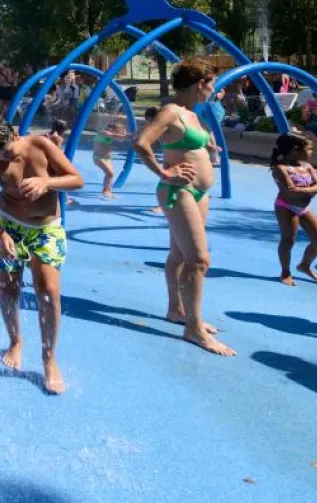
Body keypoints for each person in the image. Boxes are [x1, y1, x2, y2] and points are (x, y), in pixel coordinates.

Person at [133, 58, 235, 356]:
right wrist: (165, 172)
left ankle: (175, 310)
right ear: (199, 84)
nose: (214, 90)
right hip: (179, 191)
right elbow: (141, 143)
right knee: (199, 259)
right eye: (211, 84)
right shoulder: (171, 111)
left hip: (198, 192)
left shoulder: (191, 113)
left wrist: (204, 146)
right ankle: (194, 327)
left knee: (179, 255)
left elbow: (182, 144)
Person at [0, 116, 82, 394]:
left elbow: (77, 180)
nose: (3, 157)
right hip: (9, 227)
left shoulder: (41, 146)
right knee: (7, 289)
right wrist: (0, 234)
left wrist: (47, 183)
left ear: (14, 134)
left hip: (45, 228)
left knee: (49, 291)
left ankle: (49, 358)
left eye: (6, 151)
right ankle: (15, 341)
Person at [269, 133, 317, 286]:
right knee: (288, 240)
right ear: (296, 150)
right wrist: (311, 190)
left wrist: (303, 190)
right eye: (309, 149)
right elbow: (290, 193)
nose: (312, 152)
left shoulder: (307, 166)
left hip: (304, 207)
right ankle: (285, 272)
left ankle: (304, 265)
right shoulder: (281, 168)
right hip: (286, 207)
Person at [92, 119, 129, 199]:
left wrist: (126, 135)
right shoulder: (103, 132)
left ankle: (108, 190)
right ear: (111, 129)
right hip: (98, 158)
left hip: (107, 159)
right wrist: (125, 136)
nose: (118, 132)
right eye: (117, 131)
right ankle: (105, 191)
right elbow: (114, 136)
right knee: (110, 173)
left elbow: (120, 139)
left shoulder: (111, 134)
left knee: (110, 175)